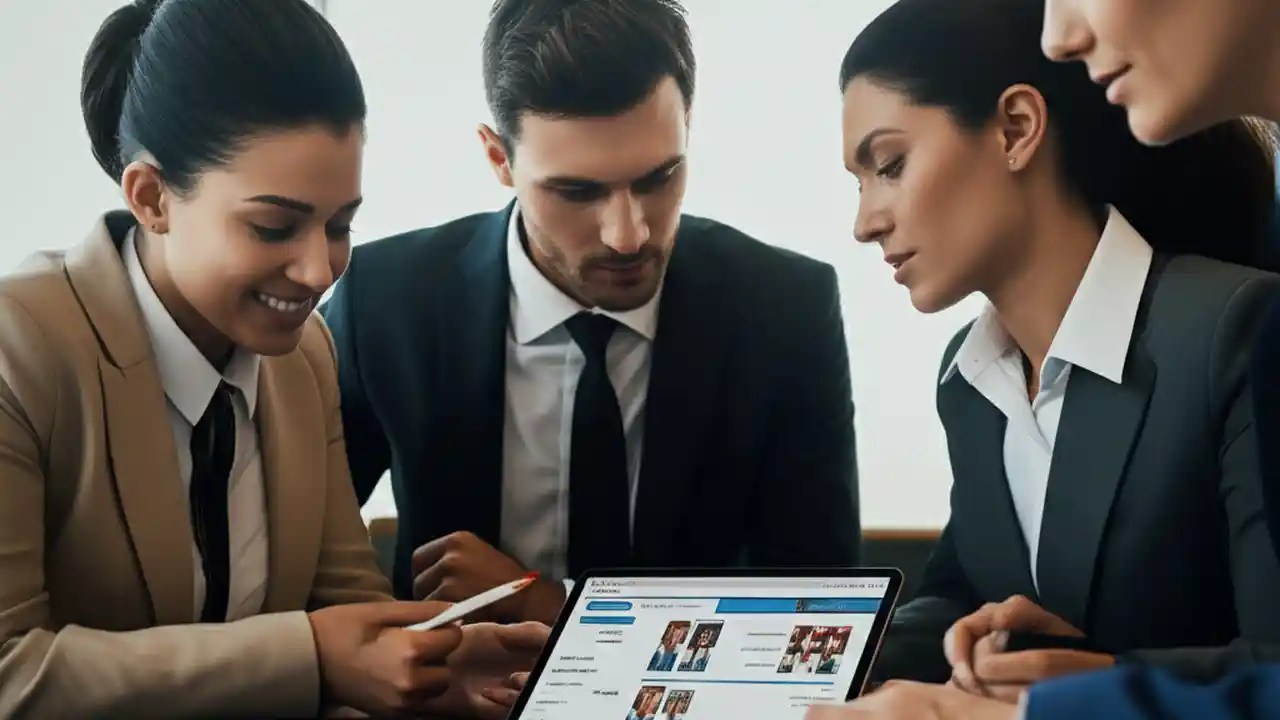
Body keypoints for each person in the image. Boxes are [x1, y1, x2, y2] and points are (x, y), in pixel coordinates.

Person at [0, 1, 546, 717]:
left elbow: (349, 610)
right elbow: (11, 673)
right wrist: (312, 656)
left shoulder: (303, 358)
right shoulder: (21, 350)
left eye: (341, 224)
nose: (320, 271)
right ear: (152, 197)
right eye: (273, 227)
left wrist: (436, 668)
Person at [322, 0, 860, 624]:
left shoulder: (785, 309)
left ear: (688, 123)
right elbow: (304, 558)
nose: (629, 235)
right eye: (577, 191)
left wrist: (547, 604)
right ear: (499, 159)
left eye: (659, 178)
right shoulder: (387, 302)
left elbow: (818, 609)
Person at [840, 0, 1280, 694]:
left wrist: (1095, 687)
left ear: (1016, 129)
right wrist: (809, 659)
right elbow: (961, 594)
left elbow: (1275, 663)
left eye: (889, 165)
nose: (865, 221)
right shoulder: (970, 380)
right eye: (858, 183)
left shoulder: (1231, 330)